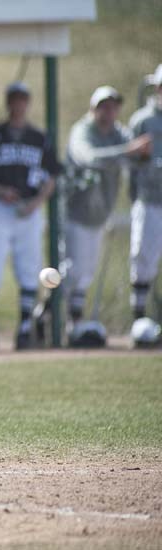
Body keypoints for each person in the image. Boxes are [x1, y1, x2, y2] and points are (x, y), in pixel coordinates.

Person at [0, 82, 61, 351]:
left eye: (23, 99)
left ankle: (24, 329)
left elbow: (52, 176)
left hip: (28, 209)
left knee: (29, 266)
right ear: (8, 102)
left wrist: (36, 202)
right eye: (14, 99)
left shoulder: (38, 138)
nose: (18, 104)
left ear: (27, 102)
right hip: (0, 207)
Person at [63, 87, 151, 346]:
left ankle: (72, 323)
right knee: (74, 270)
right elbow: (88, 157)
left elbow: (136, 157)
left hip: (101, 215)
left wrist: (140, 153)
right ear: (93, 108)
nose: (109, 111)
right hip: (75, 213)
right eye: (103, 106)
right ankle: (62, 318)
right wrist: (129, 151)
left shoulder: (119, 133)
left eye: (113, 106)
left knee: (86, 271)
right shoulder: (82, 131)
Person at [128, 64, 162, 347]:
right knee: (144, 258)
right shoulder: (142, 120)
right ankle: (138, 320)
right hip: (149, 200)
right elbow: (130, 161)